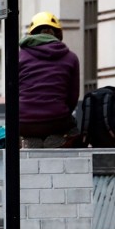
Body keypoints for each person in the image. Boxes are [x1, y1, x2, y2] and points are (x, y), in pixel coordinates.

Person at [18, 11, 80, 147]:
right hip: (57, 121)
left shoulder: (19, 57)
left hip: (23, 123)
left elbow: (12, 93)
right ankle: (57, 140)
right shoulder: (70, 57)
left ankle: (30, 141)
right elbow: (73, 98)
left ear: (32, 33)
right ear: (58, 34)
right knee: (75, 129)